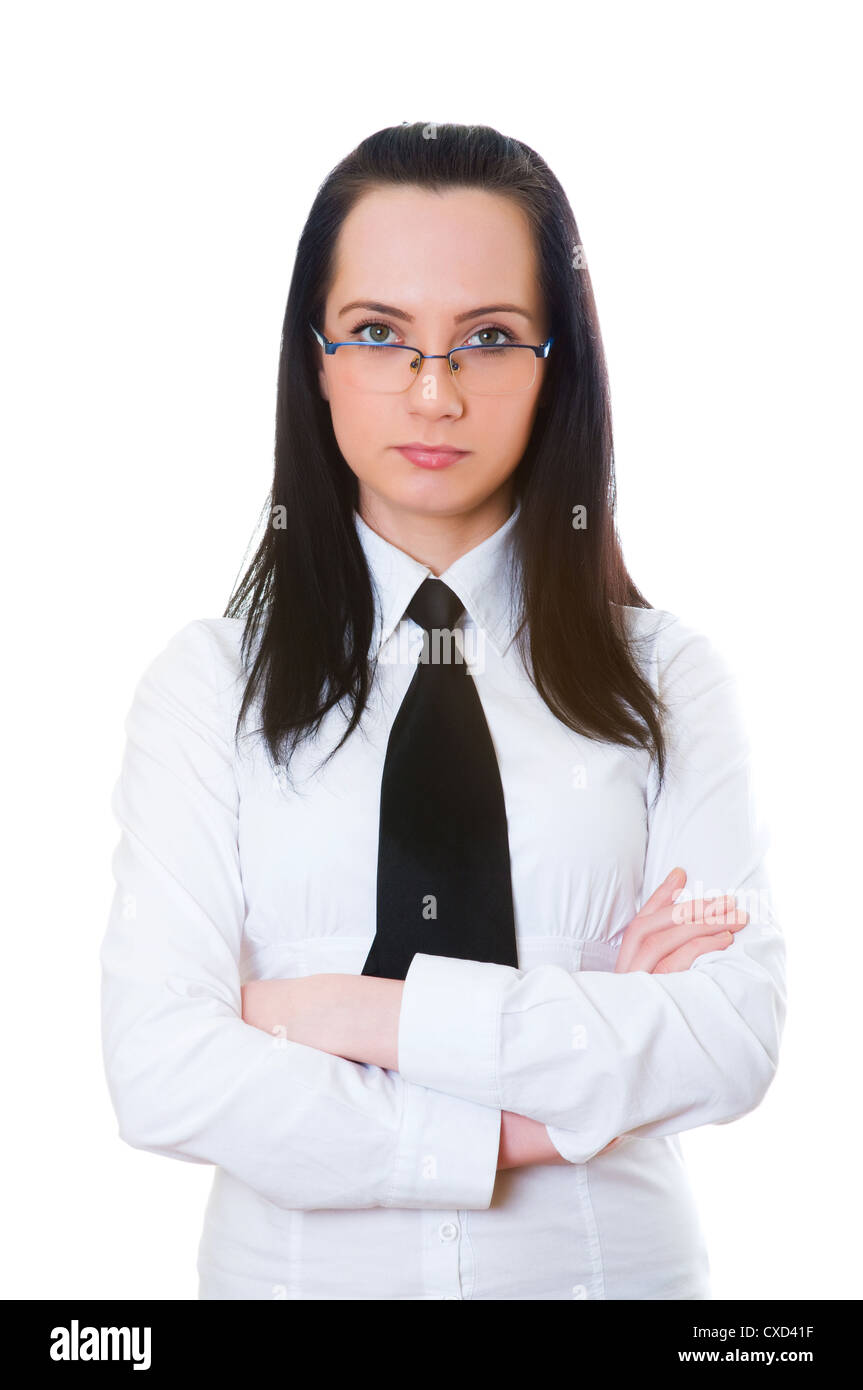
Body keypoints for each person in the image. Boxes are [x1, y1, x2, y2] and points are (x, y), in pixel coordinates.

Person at [99, 121, 786, 1300]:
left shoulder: (667, 680)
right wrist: (530, 1111)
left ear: (556, 363)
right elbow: (162, 1069)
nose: (432, 391)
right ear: (315, 359)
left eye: (488, 338)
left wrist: (343, 1013)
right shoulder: (207, 688)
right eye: (378, 334)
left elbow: (727, 1038)